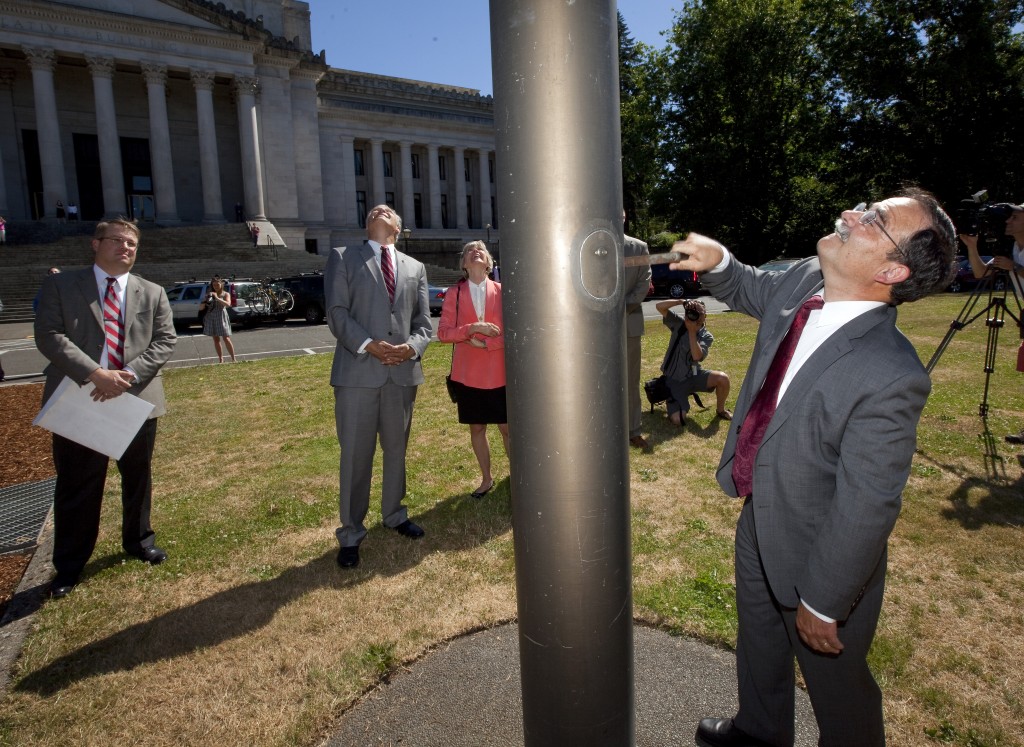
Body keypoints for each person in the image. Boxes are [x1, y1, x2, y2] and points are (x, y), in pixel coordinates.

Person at [667, 188, 956, 747]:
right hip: (759, 515)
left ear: (892, 269)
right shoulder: (804, 280)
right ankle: (759, 731)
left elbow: (867, 505)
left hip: (819, 547)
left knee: (835, 682)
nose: (852, 214)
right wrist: (721, 261)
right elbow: (754, 287)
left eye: (873, 220)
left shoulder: (891, 373)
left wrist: (825, 602)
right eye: (866, 205)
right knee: (758, 642)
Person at [34, 218, 177, 599]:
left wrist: (126, 375)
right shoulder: (62, 285)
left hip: (136, 398)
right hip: (80, 397)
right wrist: (96, 373)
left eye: (131, 243)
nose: (125, 247)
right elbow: (48, 335)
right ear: (95, 244)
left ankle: (139, 540)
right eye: (116, 240)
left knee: (138, 477)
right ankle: (69, 565)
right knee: (78, 484)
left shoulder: (152, 291)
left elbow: (165, 341)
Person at [325, 204, 432, 569]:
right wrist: (369, 344)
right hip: (357, 373)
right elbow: (337, 312)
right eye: (374, 210)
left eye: (388, 210)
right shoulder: (343, 257)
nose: (380, 209)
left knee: (396, 450)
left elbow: (423, 323)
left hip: (400, 376)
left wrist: (411, 348)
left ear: (397, 228)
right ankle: (351, 532)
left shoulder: (415, 268)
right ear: (367, 224)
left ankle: (395, 515)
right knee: (355, 453)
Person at [438, 240, 510, 497]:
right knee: (477, 428)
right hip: (469, 375)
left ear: (489, 262)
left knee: (507, 427)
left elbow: (515, 332)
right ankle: (487, 478)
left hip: (500, 371)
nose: (475, 251)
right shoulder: (454, 294)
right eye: (469, 250)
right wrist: (472, 329)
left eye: (480, 249)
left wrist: (487, 345)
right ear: (464, 264)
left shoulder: (503, 291)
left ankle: (517, 476)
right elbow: (444, 334)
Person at [959, 202, 1024, 445]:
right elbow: (980, 274)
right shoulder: (1012, 247)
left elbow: (1014, 269)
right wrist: (972, 248)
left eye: (1014, 218)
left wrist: (1014, 268)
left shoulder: (1015, 255)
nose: (1008, 221)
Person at [656, 298, 731, 427]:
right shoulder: (679, 323)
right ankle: (675, 399)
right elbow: (659, 306)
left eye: (698, 313)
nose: (693, 315)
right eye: (691, 312)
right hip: (674, 380)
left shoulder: (706, 336)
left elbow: (697, 356)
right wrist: (680, 301)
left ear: (704, 316)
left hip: (694, 375)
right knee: (678, 420)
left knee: (723, 379)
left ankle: (721, 410)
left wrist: (692, 331)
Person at [624, 224, 653, 449]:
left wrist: (619, 311)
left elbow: (643, 284)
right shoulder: (593, 243)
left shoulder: (638, 247)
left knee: (630, 380)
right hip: (593, 327)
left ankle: (633, 430)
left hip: (628, 323)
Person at [200, 277, 236, 363]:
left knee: (226, 338)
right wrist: (205, 301)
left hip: (221, 316)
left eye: (217, 284)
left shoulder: (226, 294)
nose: (215, 286)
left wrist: (217, 298)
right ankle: (221, 359)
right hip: (211, 317)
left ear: (221, 284)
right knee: (216, 339)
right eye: (214, 284)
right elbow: (201, 308)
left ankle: (233, 358)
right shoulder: (209, 294)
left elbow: (228, 304)